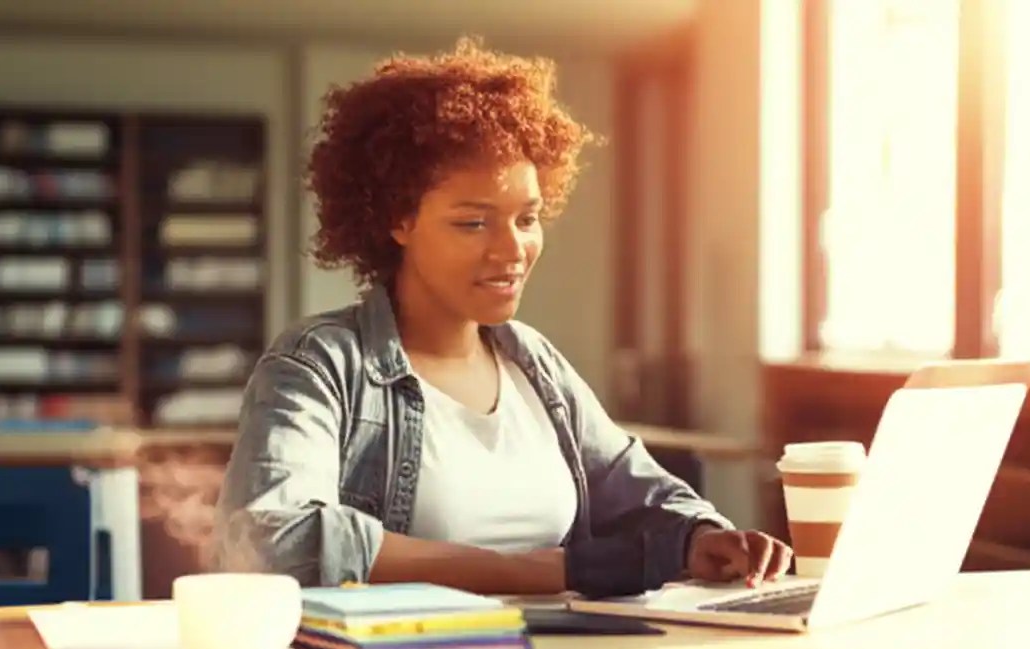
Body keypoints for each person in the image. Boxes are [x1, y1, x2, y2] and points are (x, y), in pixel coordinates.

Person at [214, 38, 792, 598]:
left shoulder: (531, 361)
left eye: (527, 219)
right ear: (398, 220)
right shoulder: (320, 363)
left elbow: (639, 488)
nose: (512, 249)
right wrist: (550, 572)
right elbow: (272, 543)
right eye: (473, 222)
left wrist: (704, 535)